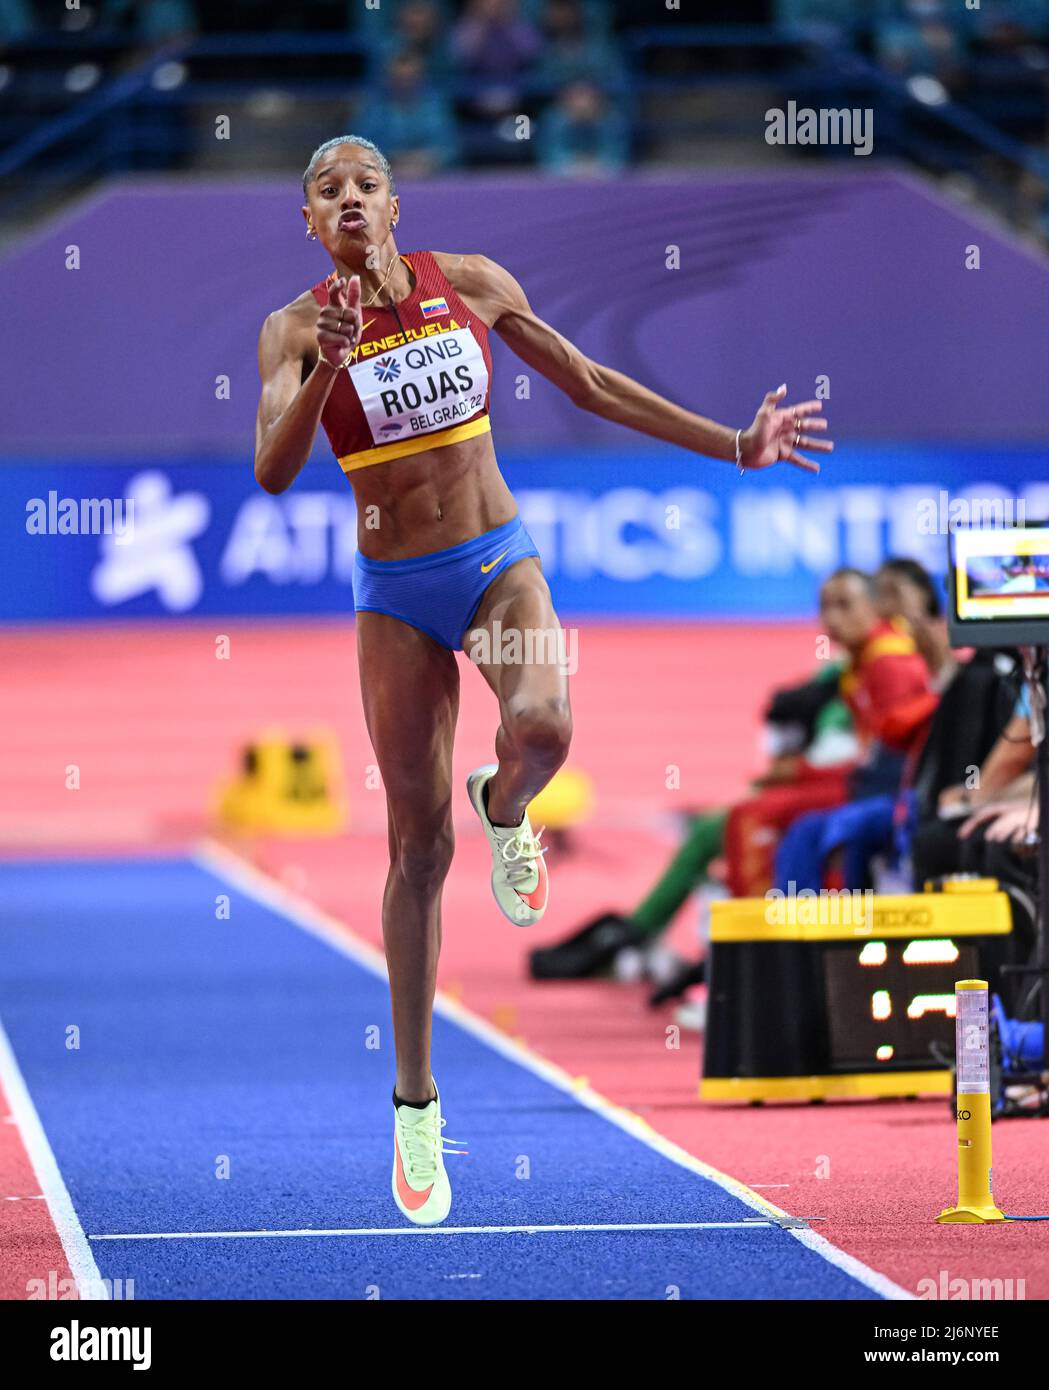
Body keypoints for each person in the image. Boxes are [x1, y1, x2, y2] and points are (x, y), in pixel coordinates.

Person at [253, 134, 832, 1226]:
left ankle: (506, 800)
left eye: (363, 184)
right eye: (325, 190)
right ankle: (416, 1105)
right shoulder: (291, 330)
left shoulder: (467, 284)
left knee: (546, 724)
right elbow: (273, 474)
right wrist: (326, 363)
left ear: (391, 201)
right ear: (308, 220)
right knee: (414, 848)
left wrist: (732, 446)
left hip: (494, 566)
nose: (347, 200)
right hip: (396, 596)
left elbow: (591, 379)